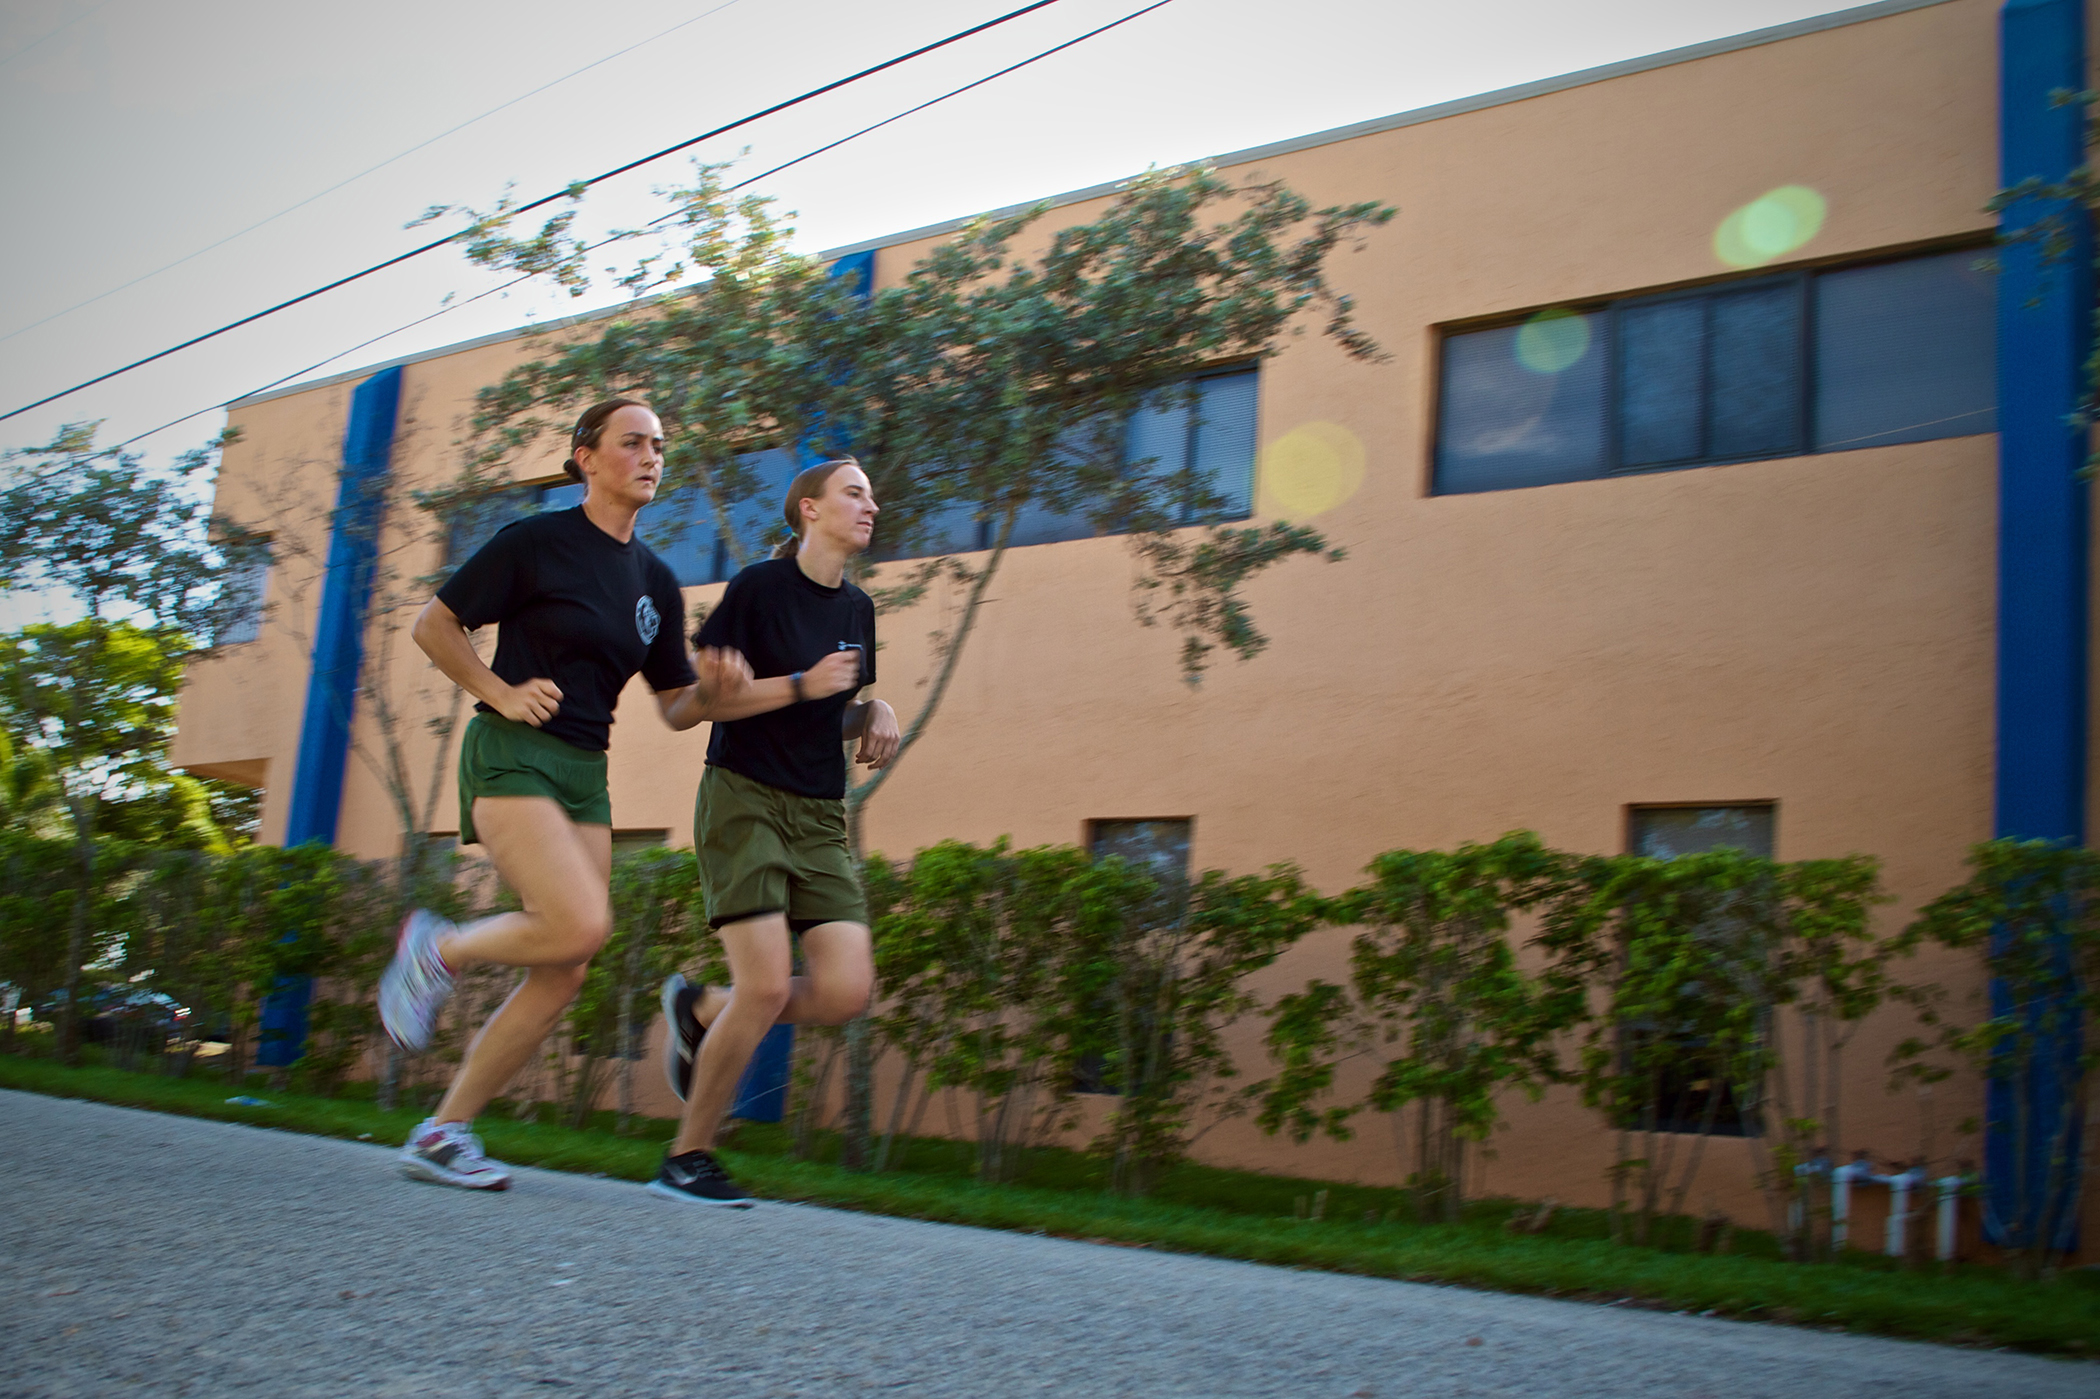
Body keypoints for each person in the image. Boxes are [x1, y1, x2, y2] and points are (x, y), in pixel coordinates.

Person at [379, 398, 748, 1190]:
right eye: (632, 442)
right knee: (580, 920)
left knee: (567, 961)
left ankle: (444, 1131)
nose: (652, 456)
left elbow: (674, 705)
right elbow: (434, 624)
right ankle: (437, 947)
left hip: (585, 770)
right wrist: (498, 689)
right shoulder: (536, 542)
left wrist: (714, 689)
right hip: (512, 753)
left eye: (659, 444)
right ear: (584, 456)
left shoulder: (654, 579)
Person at [651, 455, 900, 1206]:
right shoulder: (758, 589)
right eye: (854, 493)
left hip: (821, 811)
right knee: (761, 987)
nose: (871, 505)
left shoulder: (858, 609)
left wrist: (872, 711)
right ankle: (688, 1155)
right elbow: (703, 705)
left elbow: (834, 710)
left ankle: (699, 1007)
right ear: (809, 510)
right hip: (745, 798)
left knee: (845, 991)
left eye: (872, 495)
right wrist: (797, 682)